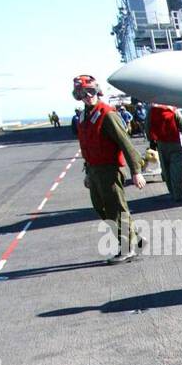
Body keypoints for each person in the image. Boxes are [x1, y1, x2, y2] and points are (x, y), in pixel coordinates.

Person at [73, 75, 145, 264]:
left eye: (90, 91)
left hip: (109, 170)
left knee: (116, 210)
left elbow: (125, 143)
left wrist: (136, 171)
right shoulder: (84, 116)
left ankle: (127, 249)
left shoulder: (107, 114)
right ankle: (134, 237)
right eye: (82, 93)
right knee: (101, 207)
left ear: (97, 91)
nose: (88, 96)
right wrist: (88, 172)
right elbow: (87, 145)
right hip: (95, 170)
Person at [148, 103, 182, 202]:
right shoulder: (173, 110)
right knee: (177, 169)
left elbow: (147, 126)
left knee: (166, 169)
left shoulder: (151, 110)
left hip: (160, 144)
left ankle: (172, 192)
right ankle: (178, 195)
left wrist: (151, 141)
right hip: (174, 143)